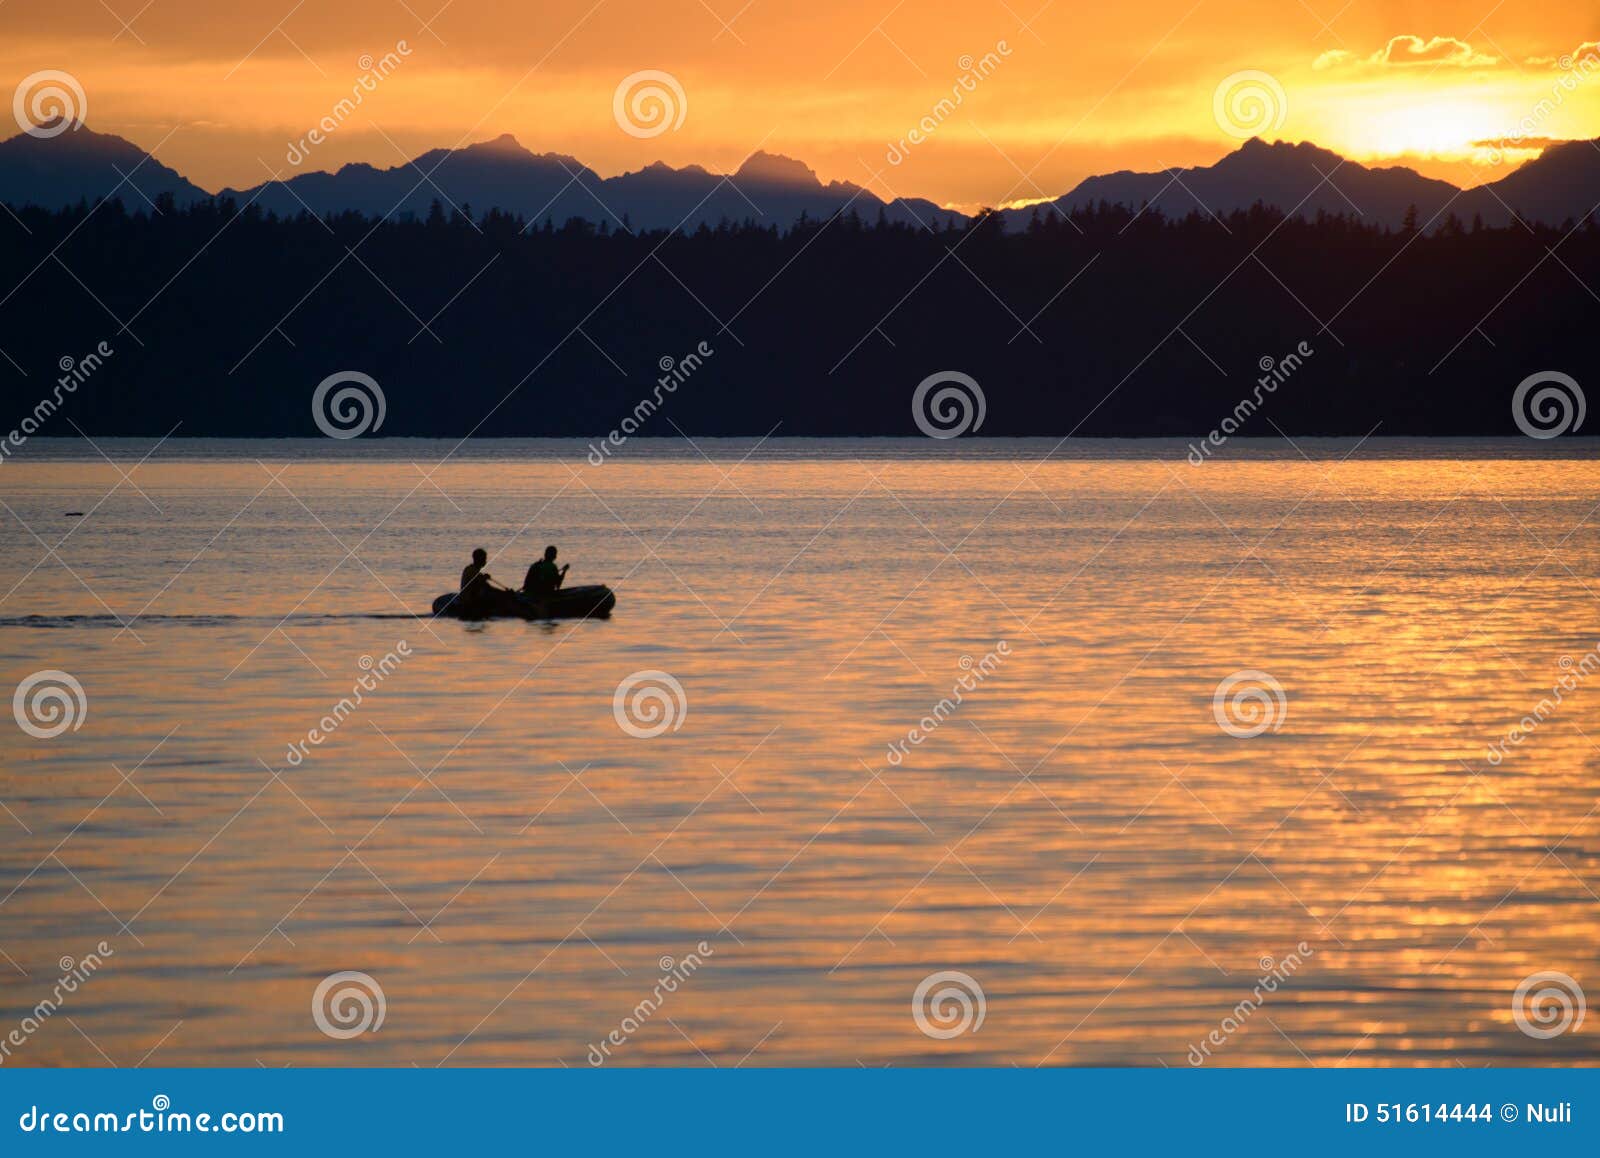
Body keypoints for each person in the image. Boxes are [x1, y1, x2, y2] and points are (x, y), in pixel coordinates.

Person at [460, 548, 494, 612]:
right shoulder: (472, 571)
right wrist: (506, 593)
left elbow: (485, 585)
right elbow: (486, 587)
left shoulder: (471, 570)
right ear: (480, 559)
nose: (485, 561)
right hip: (469, 602)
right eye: (484, 558)